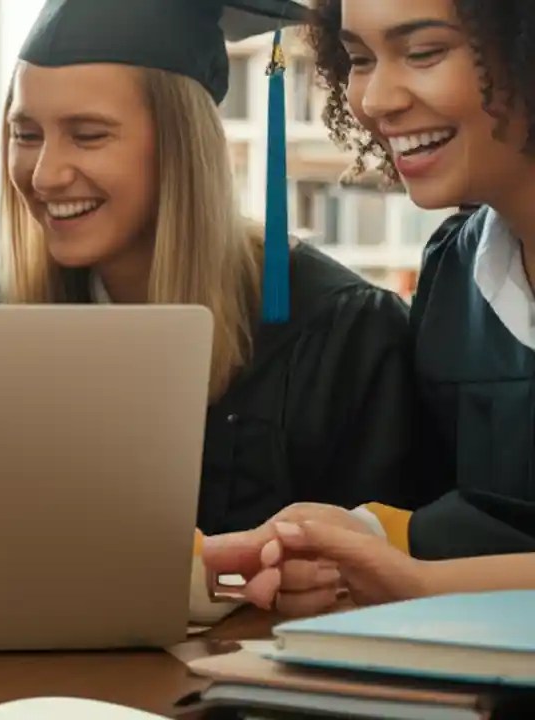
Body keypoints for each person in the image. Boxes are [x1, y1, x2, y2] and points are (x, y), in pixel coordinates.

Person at [0, 0, 442, 536]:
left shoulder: (340, 332)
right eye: (26, 135)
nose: (45, 176)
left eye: (89, 135)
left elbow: (380, 582)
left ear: (182, 146)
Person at [202, 0, 535, 616]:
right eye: (358, 58)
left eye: (424, 52)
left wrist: (419, 586)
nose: (375, 99)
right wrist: (362, 540)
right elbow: (497, 518)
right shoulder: (456, 275)